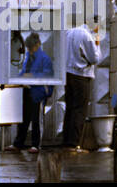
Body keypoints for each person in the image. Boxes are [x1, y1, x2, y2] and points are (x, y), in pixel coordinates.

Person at [11, 33, 54, 153]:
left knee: (36, 118)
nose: (30, 51)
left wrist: (31, 75)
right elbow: (23, 72)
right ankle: (18, 142)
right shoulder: (29, 58)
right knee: (23, 118)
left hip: (38, 92)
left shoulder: (45, 59)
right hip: (28, 90)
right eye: (28, 48)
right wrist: (17, 79)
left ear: (38, 45)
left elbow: (48, 75)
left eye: (31, 48)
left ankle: (36, 144)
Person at [63, 23, 100, 152]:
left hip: (68, 74)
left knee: (70, 108)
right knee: (80, 109)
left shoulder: (69, 33)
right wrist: (97, 42)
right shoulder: (87, 35)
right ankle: (74, 144)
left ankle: (67, 142)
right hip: (81, 75)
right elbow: (95, 58)